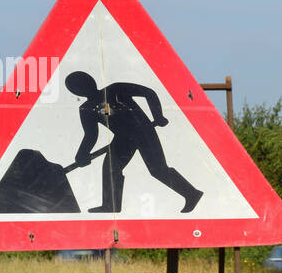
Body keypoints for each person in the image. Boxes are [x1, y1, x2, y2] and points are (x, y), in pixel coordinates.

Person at [65, 71, 203, 213]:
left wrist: (158, 116)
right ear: (76, 92)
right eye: (77, 87)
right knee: (110, 168)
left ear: (91, 81)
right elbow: (91, 135)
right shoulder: (86, 109)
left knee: (158, 170)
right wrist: (82, 153)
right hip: (122, 139)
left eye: (83, 83)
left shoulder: (115, 89)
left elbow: (149, 93)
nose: (82, 88)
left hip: (143, 131)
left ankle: (192, 194)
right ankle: (111, 204)